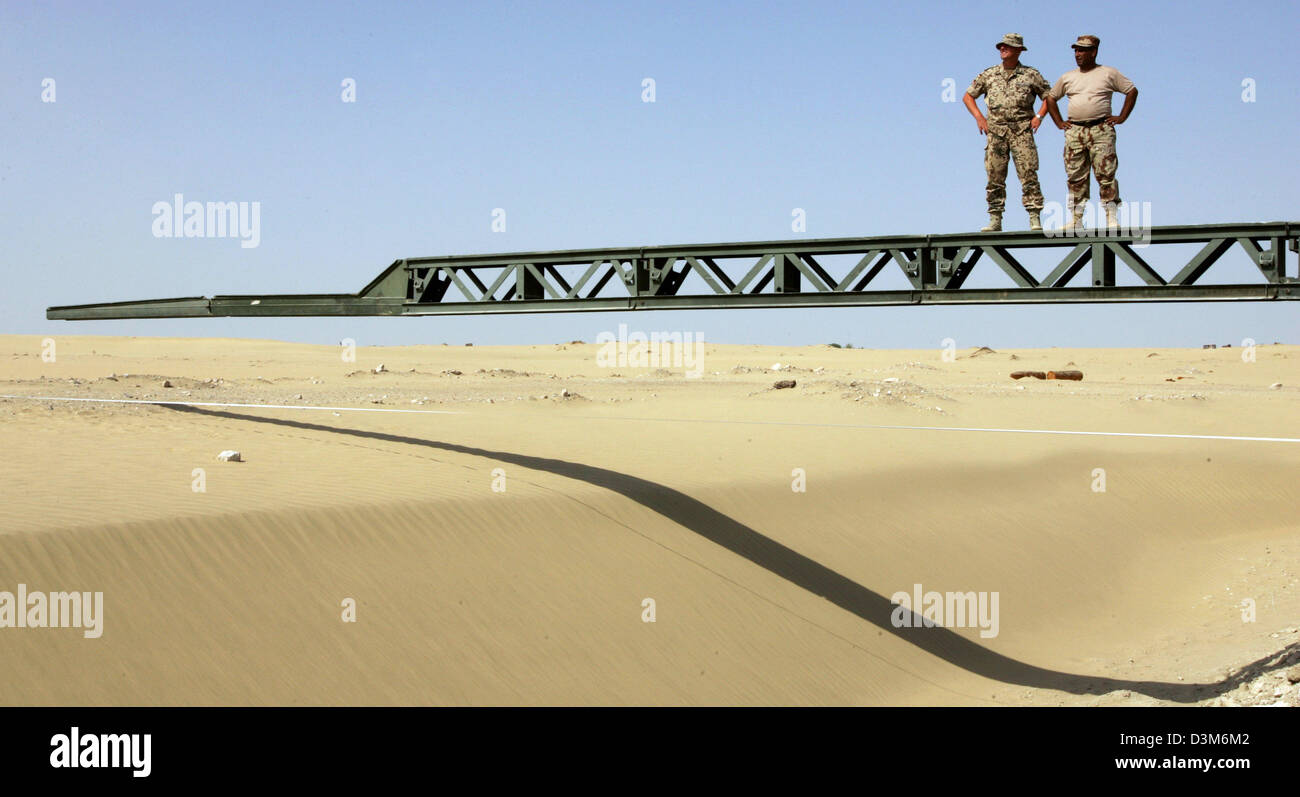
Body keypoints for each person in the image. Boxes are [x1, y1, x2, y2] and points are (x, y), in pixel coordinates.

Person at [1044, 35, 1138, 229]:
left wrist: (1121, 117)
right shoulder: (1068, 77)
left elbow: (1131, 91)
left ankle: (1111, 217)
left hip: (1101, 128)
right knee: (1075, 174)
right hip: (1075, 130)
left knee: (1106, 172)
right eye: (1076, 50)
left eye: (1083, 50)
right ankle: (1076, 219)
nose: (1078, 54)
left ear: (1093, 52)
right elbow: (1051, 98)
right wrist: (1059, 122)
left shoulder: (1108, 73)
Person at [963, 33, 1053, 232]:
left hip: (1022, 131)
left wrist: (1039, 116)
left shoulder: (1030, 75)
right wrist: (979, 117)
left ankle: (1034, 216)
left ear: (1019, 50)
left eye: (1008, 46)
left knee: (1028, 173)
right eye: (1002, 46)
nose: (1003, 49)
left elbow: (1049, 96)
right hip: (996, 132)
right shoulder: (989, 74)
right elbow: (968, 96)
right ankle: (995, 219)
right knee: (995, 176)